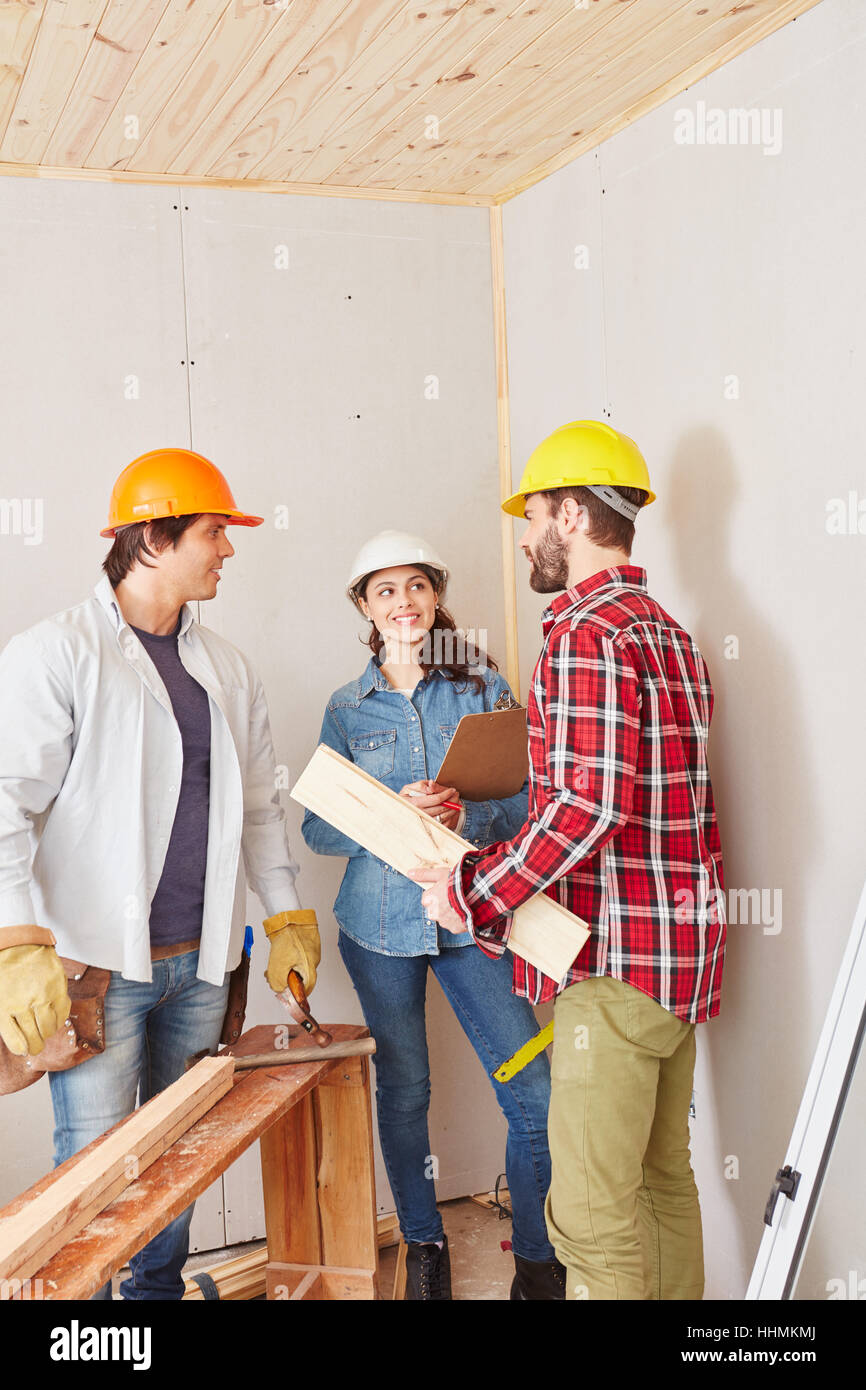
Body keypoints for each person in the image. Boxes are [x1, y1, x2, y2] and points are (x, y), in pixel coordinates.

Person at [413, 421, 726, 1300]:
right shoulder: (665, 632)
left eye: (533, 512)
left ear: (574, 515)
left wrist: (476, 887)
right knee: (663, 1182)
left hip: (616, 968)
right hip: (678, 959)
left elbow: (589, 807)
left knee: (588, 1214)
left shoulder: (584, 631)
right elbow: (639, 787)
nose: (522, 534)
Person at [0, 447, 320, 1299]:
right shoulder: (55, 655)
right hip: (99, 969)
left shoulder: (228, 667)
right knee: (95, 1180)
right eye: (214, 531)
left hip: (203, 964)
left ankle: (154, 1304)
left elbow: (259, 807)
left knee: (179, 1163)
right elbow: (3, 802)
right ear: (153, 536)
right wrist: (17, 940)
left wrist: (285, 913)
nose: (227, 549)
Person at [301, 530, 564, 1301]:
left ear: (436, 597)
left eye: (415, 586)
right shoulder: (347, 708)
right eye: (385, 591)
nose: (403, 603)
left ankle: (538, 1261)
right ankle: (425, 1250)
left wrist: (465, 814)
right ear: (364, 607)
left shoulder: (483, 687)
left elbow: (526, 804)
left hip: (473, 916)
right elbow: (317, 828)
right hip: (378, 928)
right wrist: (389, 811)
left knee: (533, 1095)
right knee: (406, 1091)